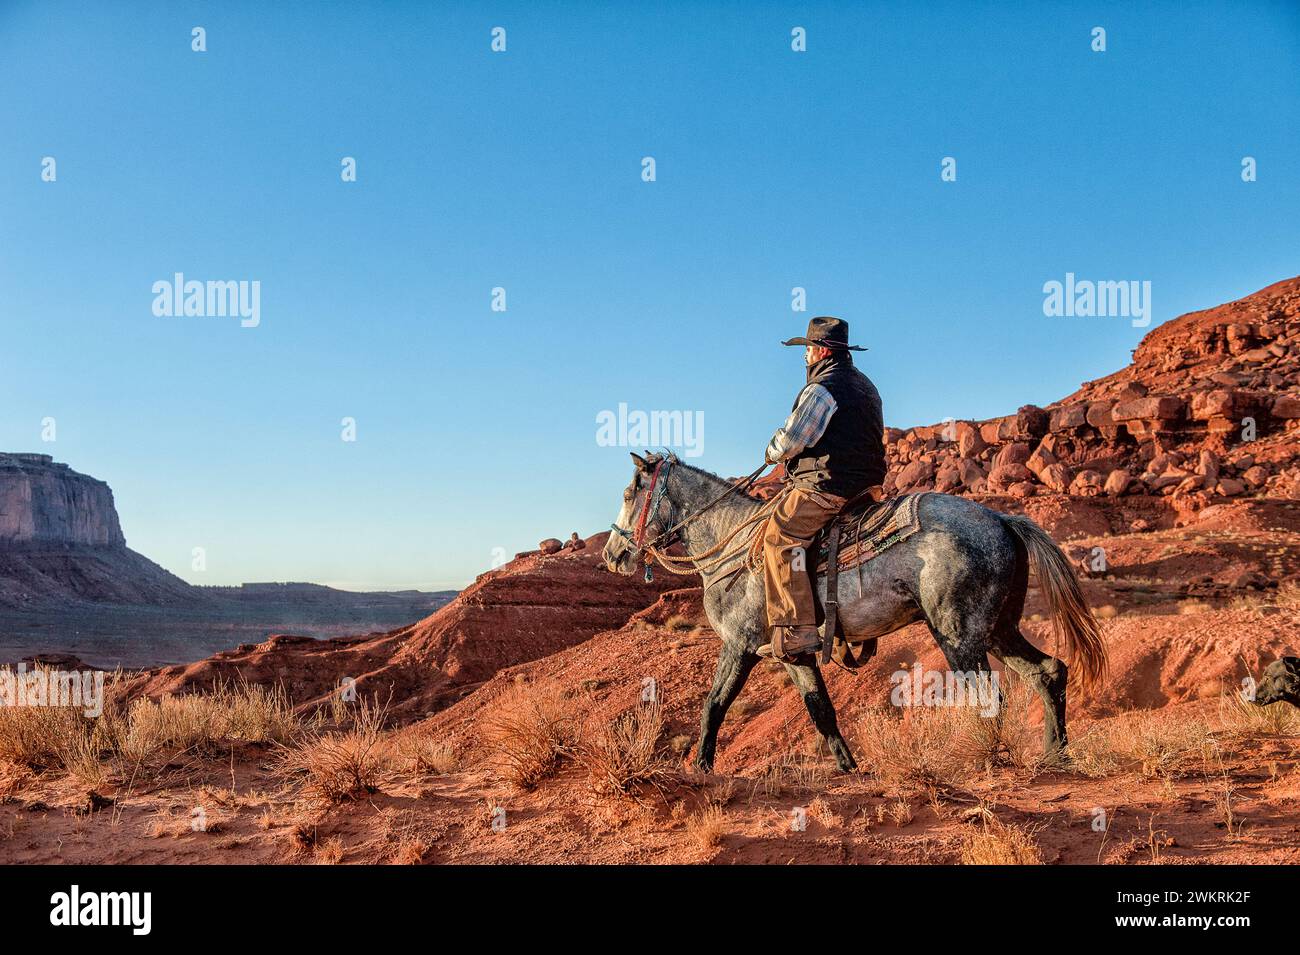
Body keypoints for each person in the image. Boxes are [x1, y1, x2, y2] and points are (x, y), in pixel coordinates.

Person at [758, 316, 887, 663]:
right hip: (868, 486)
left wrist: (770, 451)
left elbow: (792, 441)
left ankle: (796, 629)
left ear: (820, 351)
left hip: (828, 485)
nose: (806, 358)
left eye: (808, 351)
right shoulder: (866, 385)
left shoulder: (822, 389)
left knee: (780, 534)